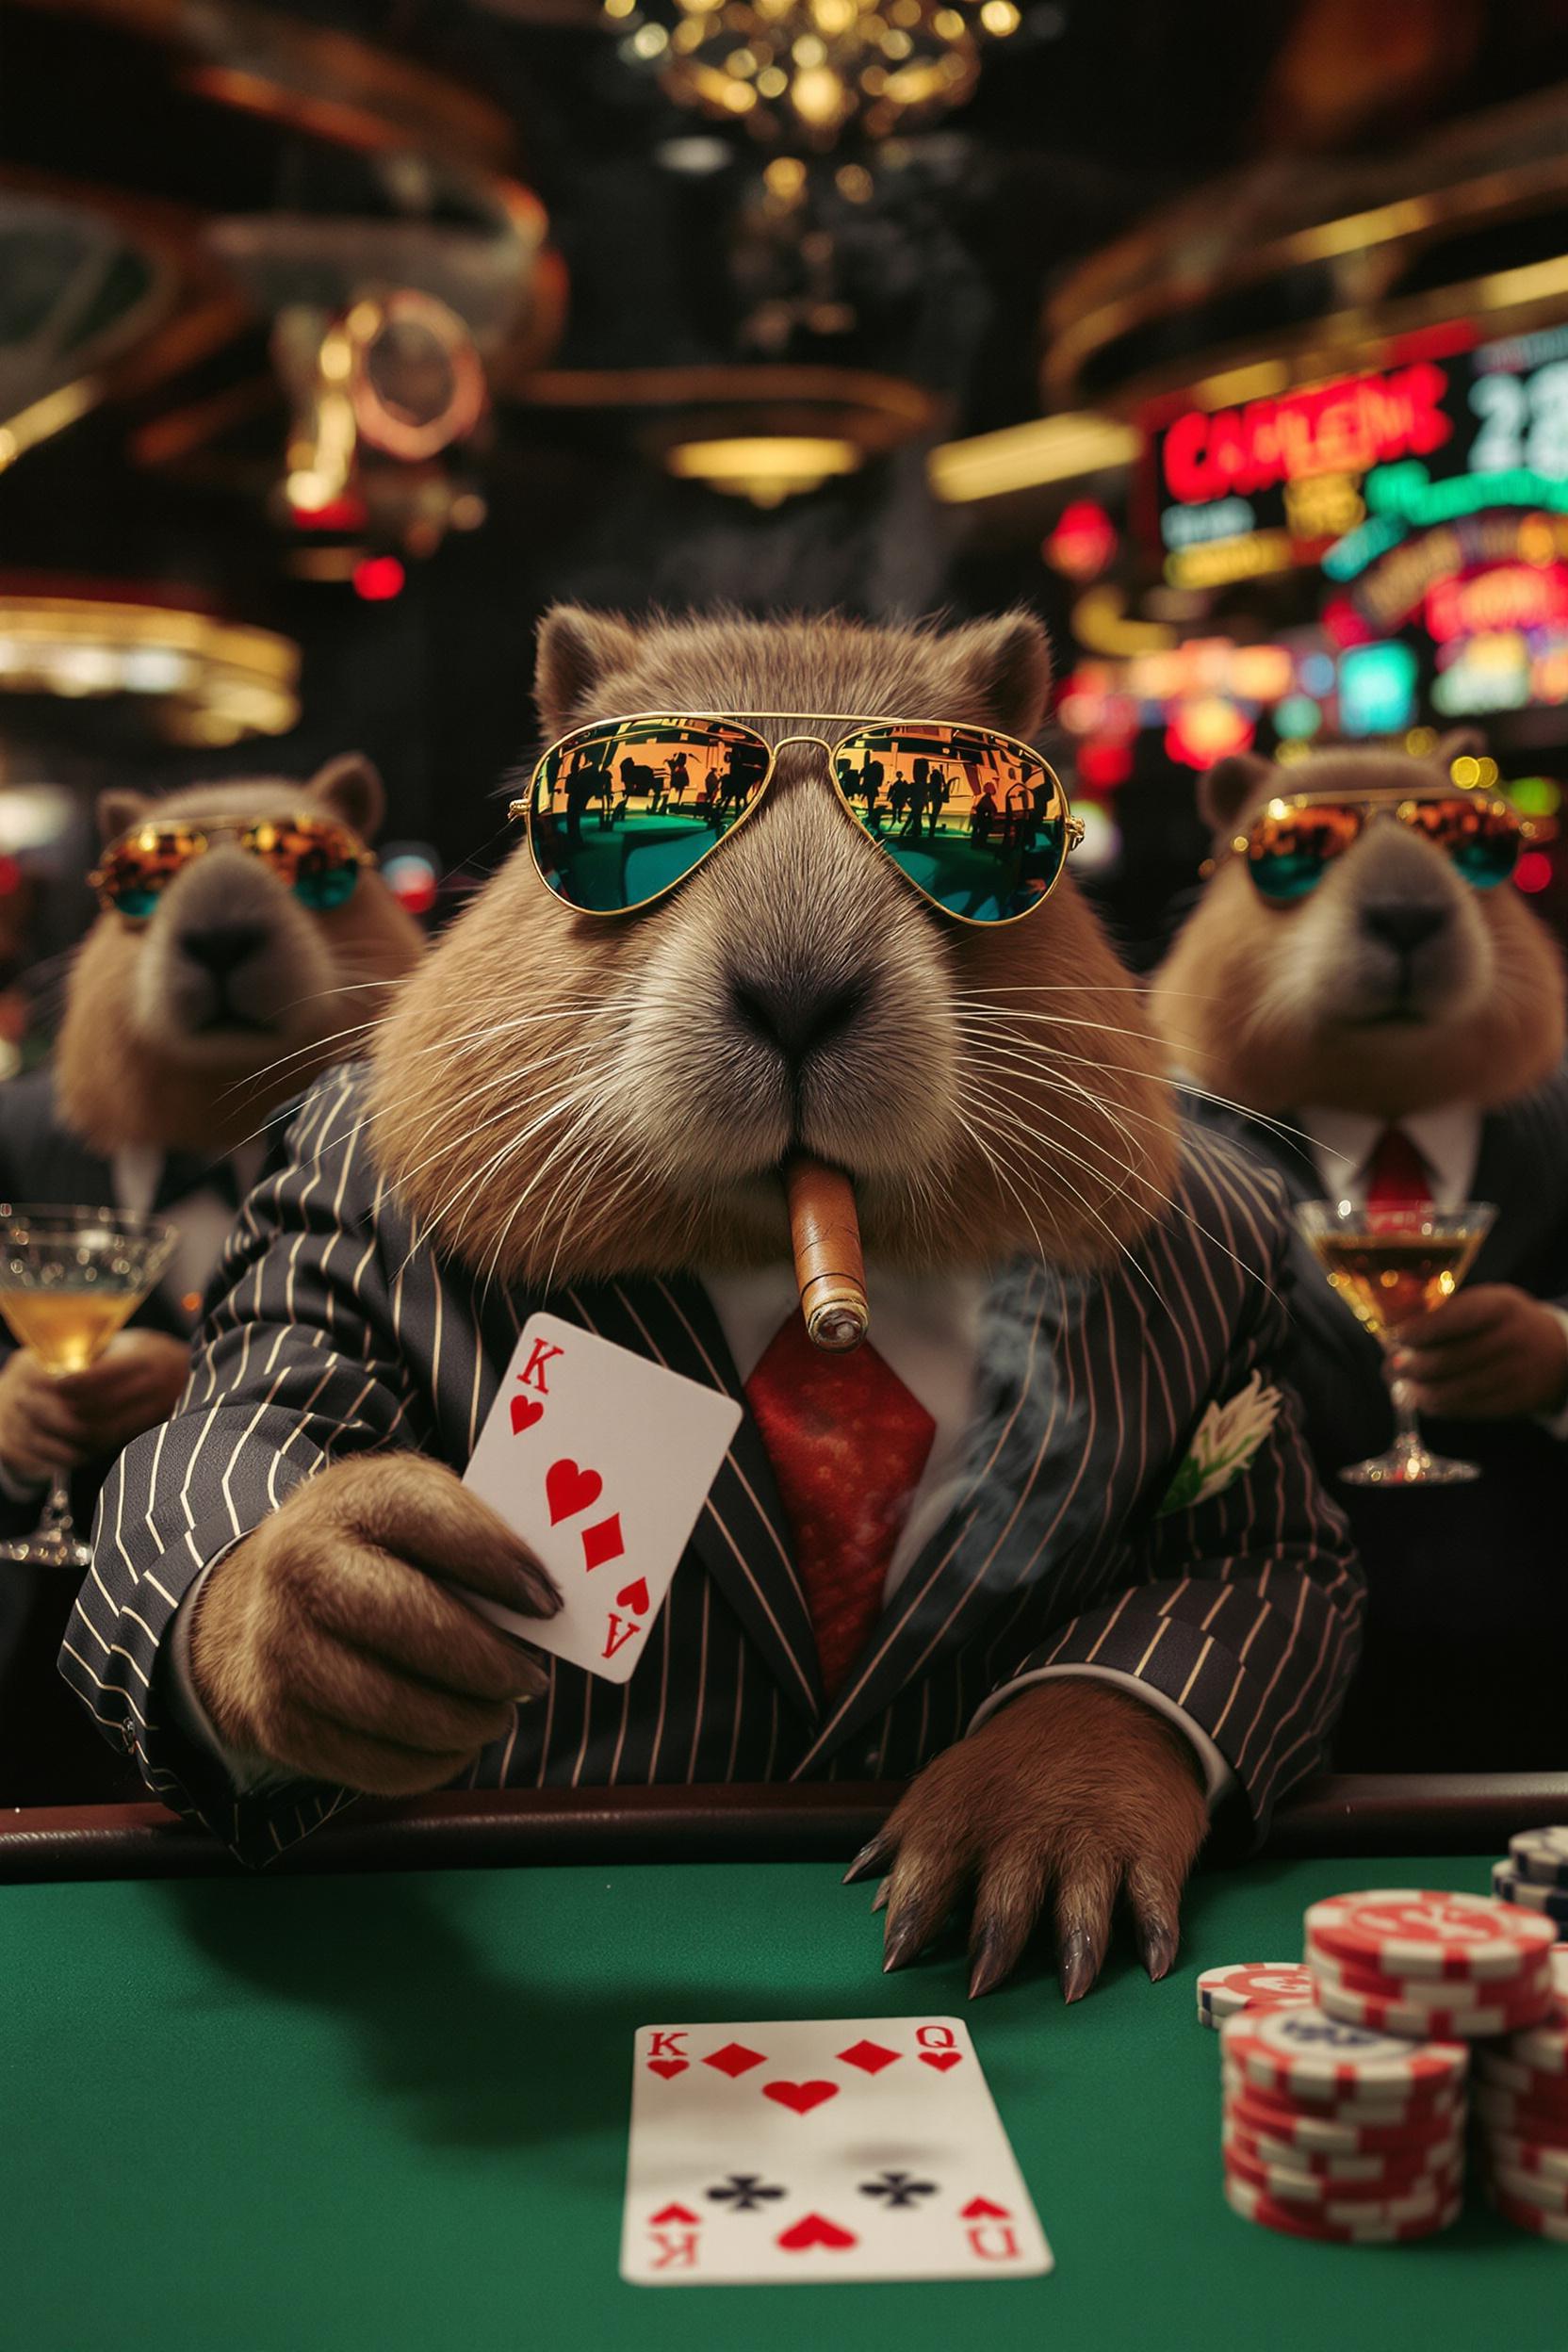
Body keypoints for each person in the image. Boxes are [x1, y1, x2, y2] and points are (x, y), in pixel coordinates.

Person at [72, 607, 1361, 2003]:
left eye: (954, 827)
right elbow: (232, 1434)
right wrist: (250, 1602)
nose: (798, 945)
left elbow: (1267, 1556)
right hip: (530, 1980)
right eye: (638, 813)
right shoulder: (385, 1173)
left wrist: (1119, 1718)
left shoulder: (1200, 1231)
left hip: (1002, 2000)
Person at [0, 756, 422, 1799]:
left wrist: (205, 1390)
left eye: (311, 864)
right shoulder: (17, 1141)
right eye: (150, 872)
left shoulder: (420, 1171)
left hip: (312, 1736)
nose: (224, 912)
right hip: (29, 1689)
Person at [1152, 736, 1568, 1769]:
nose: (1403, 895)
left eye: (1461, 844)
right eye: (1299, 849)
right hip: (1264, 1724)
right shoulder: (1159, 1161)